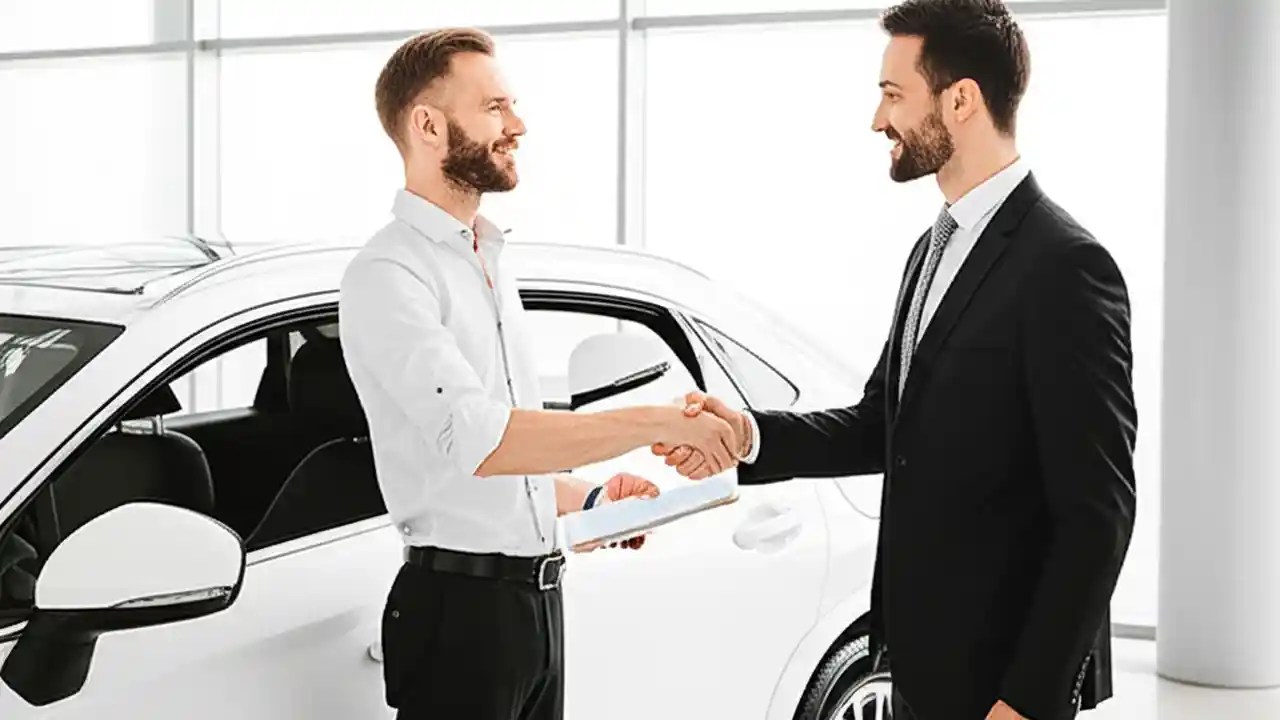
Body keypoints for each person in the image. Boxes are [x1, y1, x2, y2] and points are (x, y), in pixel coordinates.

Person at [655, 1, 1136, 718]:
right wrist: (746, 434)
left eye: (892, 94)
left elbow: (1099, 513)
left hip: (1001, 685)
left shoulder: (1065, 267)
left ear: (961, 100)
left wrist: (1028, 700)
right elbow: (882, 423)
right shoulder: (932, 251)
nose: (878, 120)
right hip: (918, 665)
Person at [338, 28, 741, 720]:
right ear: (428, 126)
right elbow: (485, 440)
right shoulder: (389, 274)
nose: (517, 126)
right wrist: (660, 422)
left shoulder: (487, 259)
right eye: (495, 107)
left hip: (534, 606)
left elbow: (497, 472)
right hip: (460, 615)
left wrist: (589, 500)